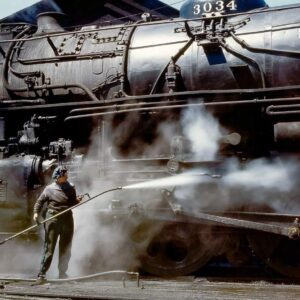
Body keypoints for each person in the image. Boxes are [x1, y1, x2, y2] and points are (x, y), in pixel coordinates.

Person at [33, 166, 82, 283]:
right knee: (49, 248)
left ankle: (62, 273)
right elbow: (39, 202)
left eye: (67, 173)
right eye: (65, 174)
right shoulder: (49, 189)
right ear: (58, 176)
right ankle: (42, 274)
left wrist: (77, 200)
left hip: (67, 219)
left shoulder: (71, 187)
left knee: (66, 248)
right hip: (53, 219)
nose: (67, 175)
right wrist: (36, 213)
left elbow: (72, 202)